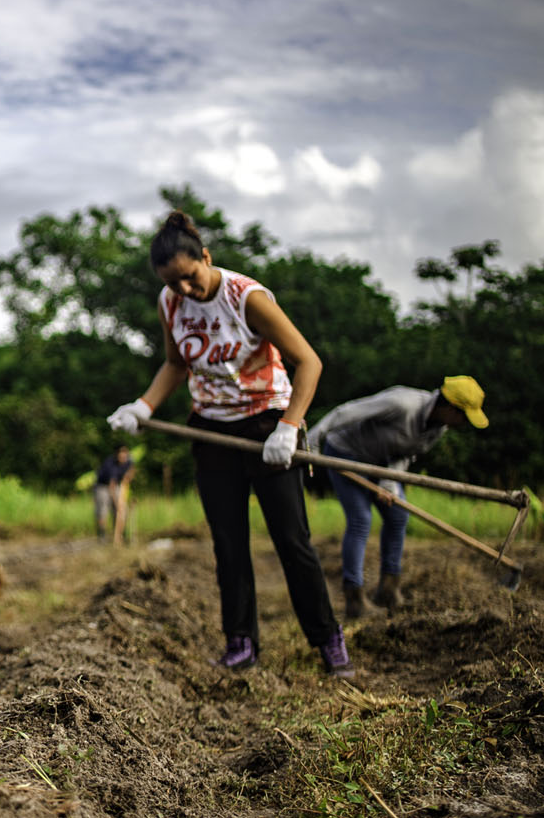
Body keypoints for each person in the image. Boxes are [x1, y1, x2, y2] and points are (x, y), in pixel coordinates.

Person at [106, 211, 351, 677]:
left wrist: (289, 425)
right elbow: (177, 364)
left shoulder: (246, 297)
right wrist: (144, 407)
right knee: (228, 543)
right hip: (211, 430)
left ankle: (327, 639)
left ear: (206, 257)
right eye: (172, 283)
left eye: (190, 278)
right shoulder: (170, 303)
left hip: (267, 425)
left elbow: (309, 362)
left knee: (292, 541)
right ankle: (241, 641)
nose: (184, 291)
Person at [307, 376, 489, 617]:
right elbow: (346, 412)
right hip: (345, 453)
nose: (464, 423)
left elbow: (406, 453)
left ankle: (388, 589)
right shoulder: (402, 403)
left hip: (380, 463)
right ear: (450, 408)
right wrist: (312, 439)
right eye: (464, 416)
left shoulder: (438, 428)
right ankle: (355, 599)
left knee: (398, 516)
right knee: (361, 519)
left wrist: (390, 480)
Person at [93, 445, 136, 541]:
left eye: (125, 456)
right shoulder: (110, 465)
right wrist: (117, 503)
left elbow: (132, 468)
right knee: (103, 510)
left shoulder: (129, 461)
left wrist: (129, 476)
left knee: (122, 511)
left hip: (116, 484)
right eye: (121, 457)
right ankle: (102, 536)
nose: (123, 458)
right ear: (117, 456)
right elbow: (111, 486)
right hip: (102, 486)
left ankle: (120, 534)